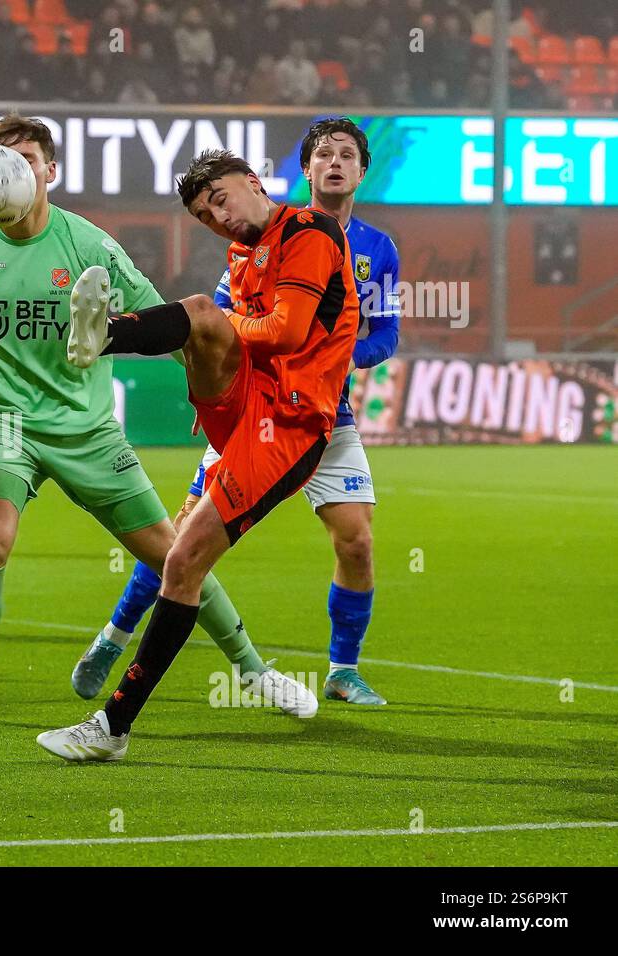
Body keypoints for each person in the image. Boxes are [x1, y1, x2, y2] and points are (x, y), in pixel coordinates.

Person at [0, 114, 315, 728]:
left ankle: (254, 670)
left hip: (87, 428)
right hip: (1, 419)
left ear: (50, 171)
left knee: (174, 556)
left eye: (23, 158)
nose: (10, 168)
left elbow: (166, 326)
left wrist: (220, 394)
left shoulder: (91, 246)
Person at [38, 148, 359, 761]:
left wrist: (214, 335)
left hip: (292, 424)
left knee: (182, 561)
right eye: (204, 216)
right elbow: (239, 336)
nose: (216, 219)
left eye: (219, 200)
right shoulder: (242, 256)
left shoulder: (310, 231)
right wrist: (211, 360)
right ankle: (102, 334)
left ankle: (112, 726)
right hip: (247, 406)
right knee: (205, 317)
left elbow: (288, 333)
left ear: (253, 182)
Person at [74, 117, 401, 707]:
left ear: (360, 169)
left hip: (328, 412)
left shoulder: (377, 250)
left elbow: (387, 332)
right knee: (185, 535)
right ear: (303, 170)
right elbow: (219, 324)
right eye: (322, 153)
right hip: (257, 407)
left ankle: (343, 669)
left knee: (356, 542)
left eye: (346, 154)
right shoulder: (250, 243)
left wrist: (341, 349)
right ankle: (114, 634)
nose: (334, 162)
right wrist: (215, 378)